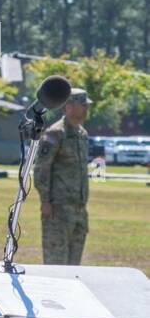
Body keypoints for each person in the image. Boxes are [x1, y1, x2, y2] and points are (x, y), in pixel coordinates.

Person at [35, 88, 91, 265]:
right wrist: (45, 200)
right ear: (68, 107)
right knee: (56, 266)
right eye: (82, 105)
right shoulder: (55, 134)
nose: (86, 109)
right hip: (57, 210)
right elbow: (41, 169)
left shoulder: (82, 134)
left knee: (74, 268)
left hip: (79, 210)